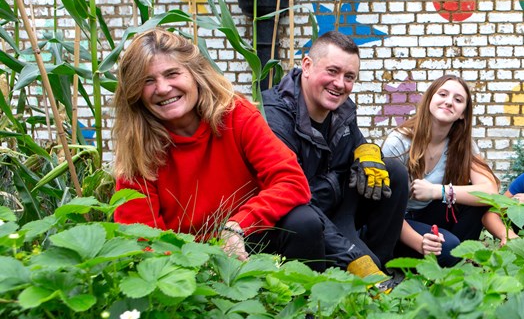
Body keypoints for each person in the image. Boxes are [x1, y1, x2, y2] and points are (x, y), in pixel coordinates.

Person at [112, 29, 324, 267]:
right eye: (148, 81)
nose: (162, 88)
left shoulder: (236, 116)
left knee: (304, 221)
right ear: (135, 93)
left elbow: (291, 181)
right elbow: (140, 239)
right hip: (181, 262)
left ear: (195, 75)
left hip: (247, 243)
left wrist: (236, 226)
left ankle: (303, 299)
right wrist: (197, 263)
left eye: (172, 74)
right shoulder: (137, 151)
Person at [263, 30, 407, 284]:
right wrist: (352, 257)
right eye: (332, 71)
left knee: (391, 171)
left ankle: (380, 269)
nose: (340, 84)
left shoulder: (341, 109)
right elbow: (295, 196)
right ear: (307, 65)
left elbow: (355, 144)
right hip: (295, 221)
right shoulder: (273, 118)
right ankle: (316, 291)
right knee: (303, 219)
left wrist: (368, 150)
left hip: (336, 210)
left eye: (349, 77)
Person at [382, 74, 505, 267]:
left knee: (477, 202)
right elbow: (380, 210)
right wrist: (419, 242)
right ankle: (437, 257)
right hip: (396, 224)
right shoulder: (399, 142)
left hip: (429, 216)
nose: (449, 102)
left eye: (458, 100)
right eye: (443, 94)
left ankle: (453, 259)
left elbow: (490, 191)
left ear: (463, 113)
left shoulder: (462, 145)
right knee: (450, 247)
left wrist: (438, 191)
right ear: (430, 98)